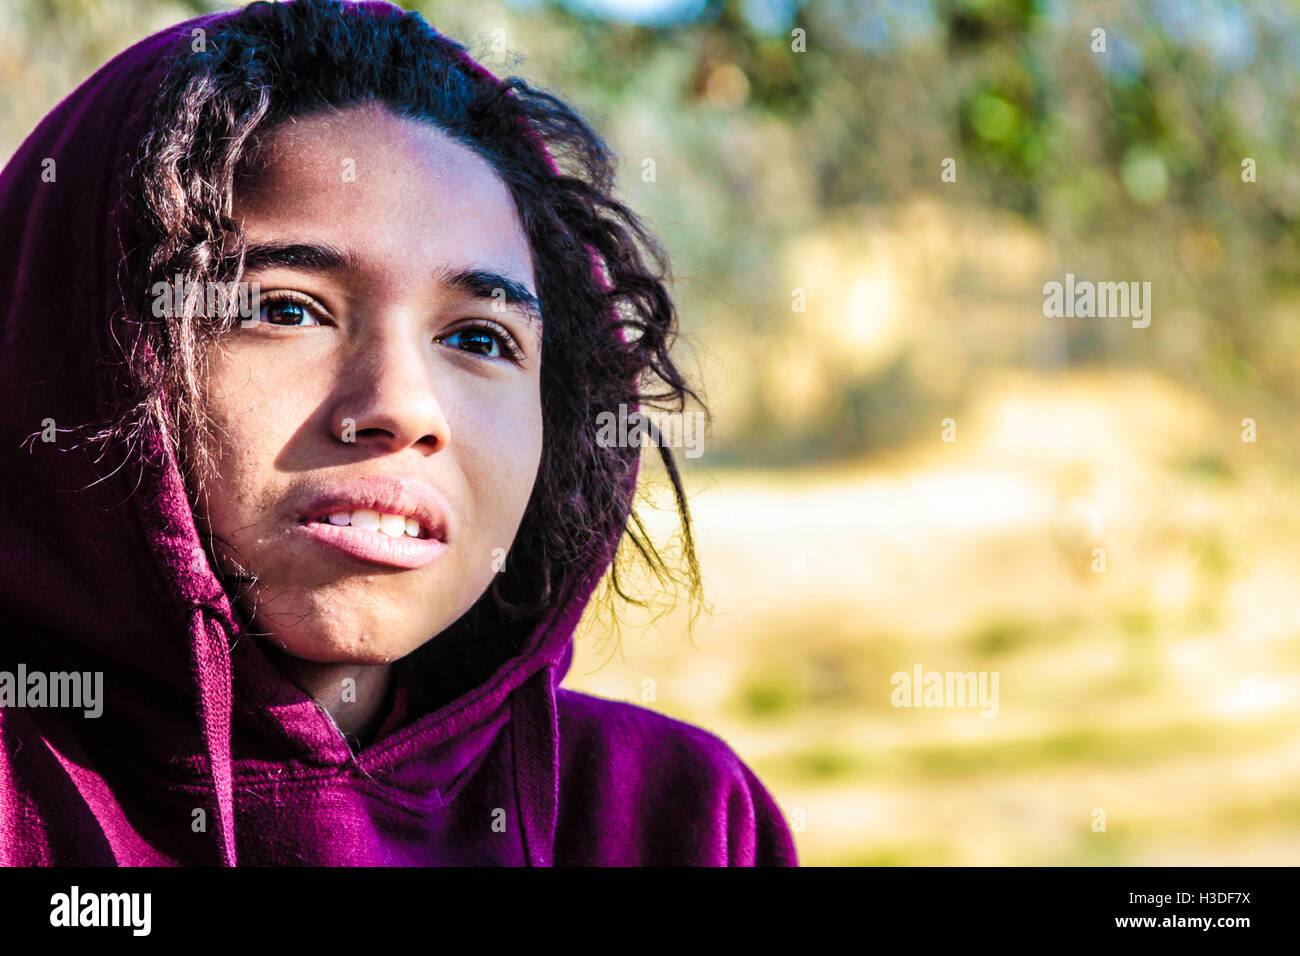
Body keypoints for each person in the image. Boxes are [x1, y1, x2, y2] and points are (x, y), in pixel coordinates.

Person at [0, 0, 798, 865]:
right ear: (76, 341)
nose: (404, 409)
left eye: (479, 339)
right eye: (285, 310)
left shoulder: (668, 817)